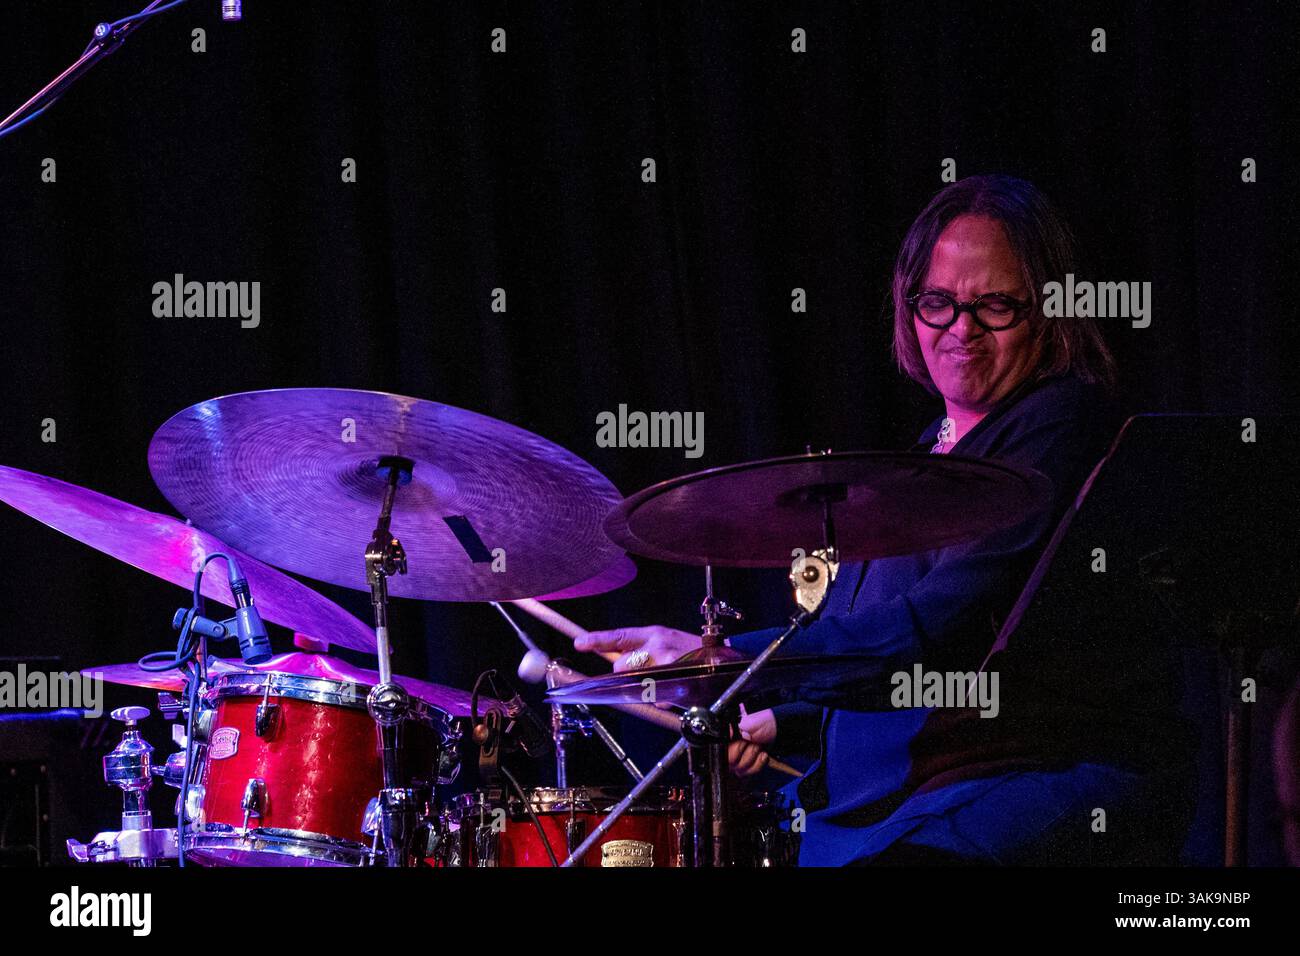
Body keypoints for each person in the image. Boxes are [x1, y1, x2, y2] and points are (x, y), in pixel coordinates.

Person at [577, 174, 1194, 865]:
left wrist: (731, 660)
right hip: (889, 802)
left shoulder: (1058, 427)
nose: (961, 329)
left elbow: (938, 634)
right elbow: (887, 669)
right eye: (938, 303)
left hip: (1023, 777)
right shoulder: (929, 456)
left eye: (995, 305)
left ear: (1051, 310)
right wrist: (782, 716)